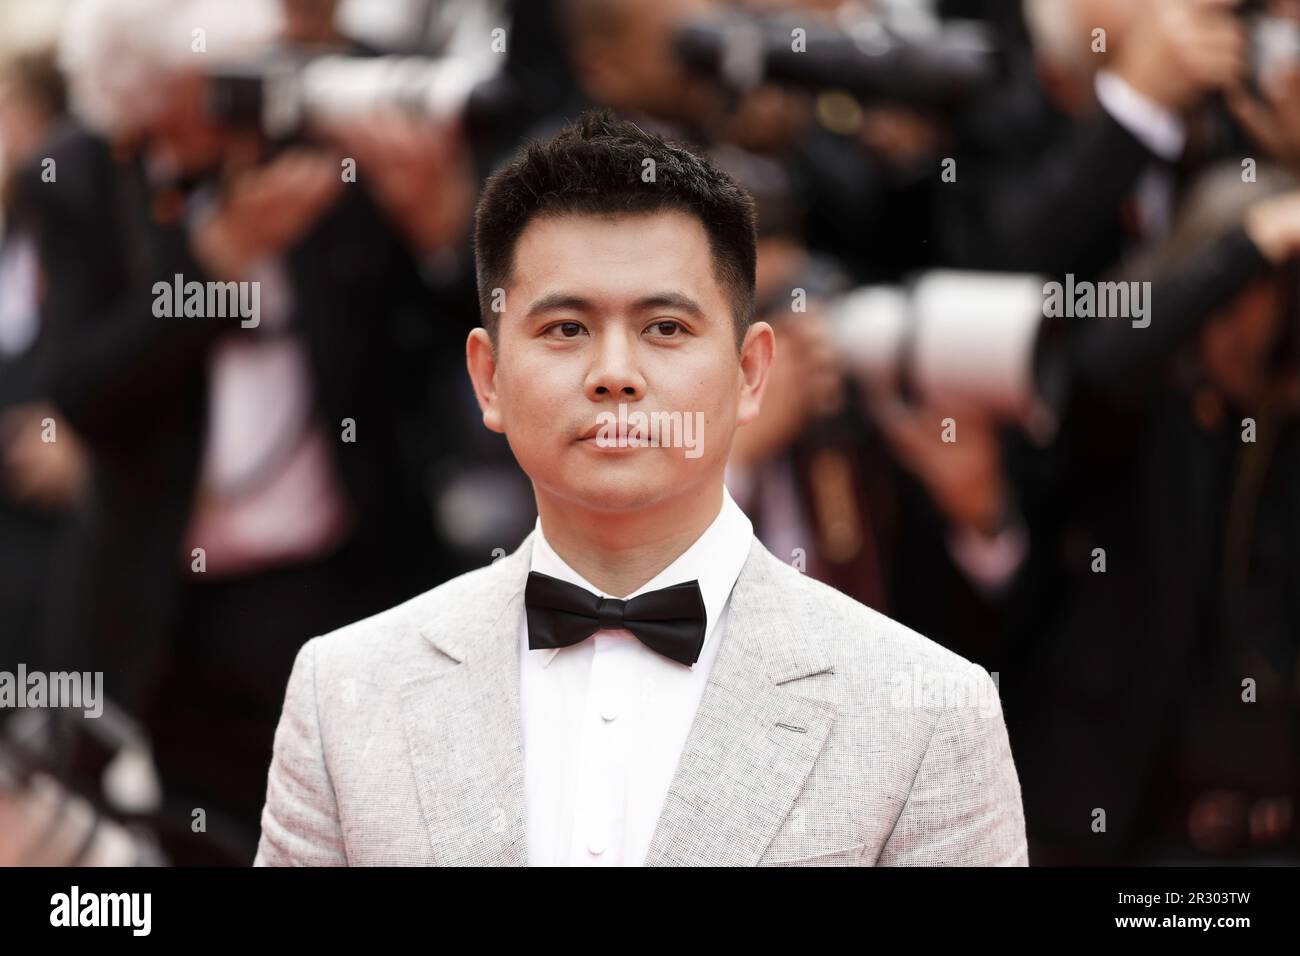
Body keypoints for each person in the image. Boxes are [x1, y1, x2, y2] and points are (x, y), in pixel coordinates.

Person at [255, 110, 1028, 867]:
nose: (615, 373)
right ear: (488, 378)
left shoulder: (928, 712)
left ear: (749, 371)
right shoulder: (344, 693)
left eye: (665, 328)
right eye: (566, 329)